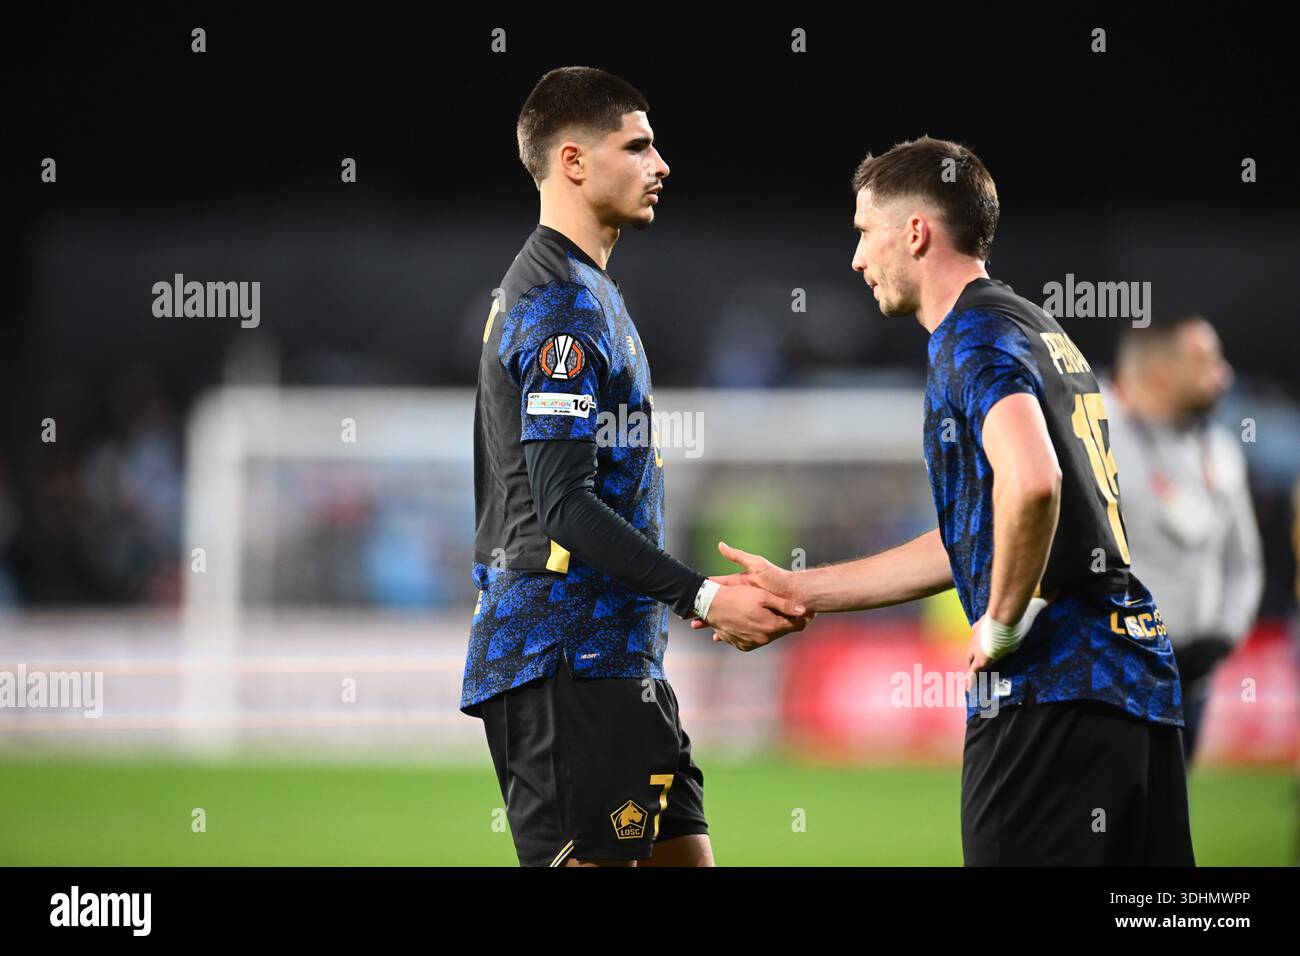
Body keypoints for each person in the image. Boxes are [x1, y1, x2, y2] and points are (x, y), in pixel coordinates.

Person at [696, 136, 1194, 865]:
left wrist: (999, 622)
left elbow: (1035, 482)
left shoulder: (972, 337)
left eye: (865, 234)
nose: (858, 259)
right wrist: (806, 589)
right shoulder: (1037, 328)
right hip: (1135, 684)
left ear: (916, 232)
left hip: (1049, 688)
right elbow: (984, 528)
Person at [461, 66, 811, 868]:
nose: (662, 165)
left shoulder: (586, 289)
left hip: (616, 659)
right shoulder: (560, 306)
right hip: (565, 662)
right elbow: (562, 506)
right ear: (576, 161)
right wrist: (703, 595)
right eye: (639, 145)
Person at [1107, 316, 1264, 764]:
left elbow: (1244, 565)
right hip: (1114, 682)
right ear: (1162, 373)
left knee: (1167, 825)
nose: (1224, 374)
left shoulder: (1222, 451)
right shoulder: (1100, 444)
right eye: (1206, 361)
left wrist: (1220, 639)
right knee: (1107, 824)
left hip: (1192, 685)